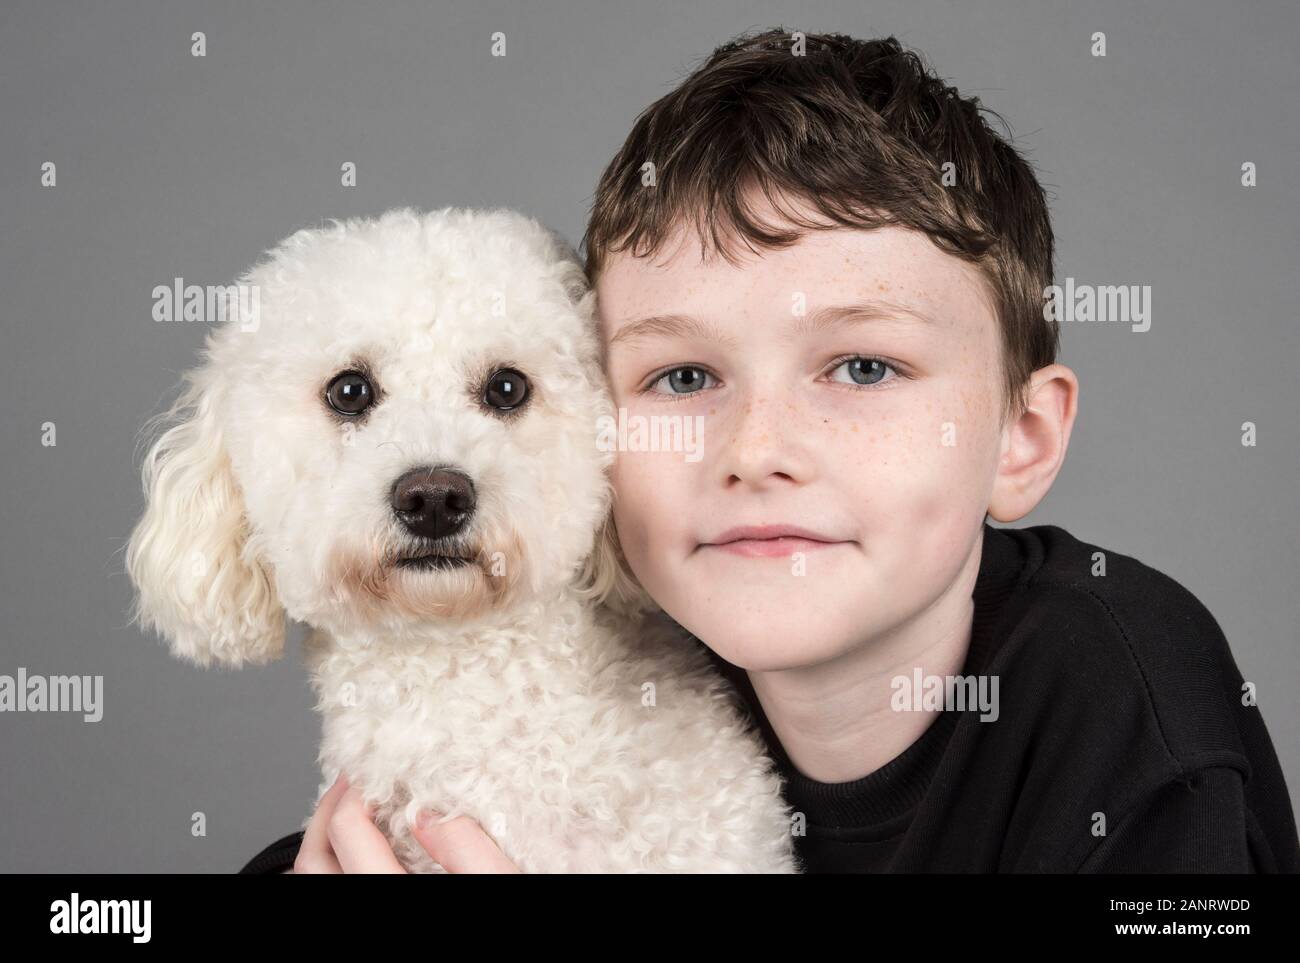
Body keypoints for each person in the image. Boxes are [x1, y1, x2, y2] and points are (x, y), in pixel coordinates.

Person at [243, 27, 1299, 874]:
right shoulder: (630, 655)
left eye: (862, 368)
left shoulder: (1119, 686)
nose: (755, 452)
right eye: (684, 378)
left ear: (1018, 442)